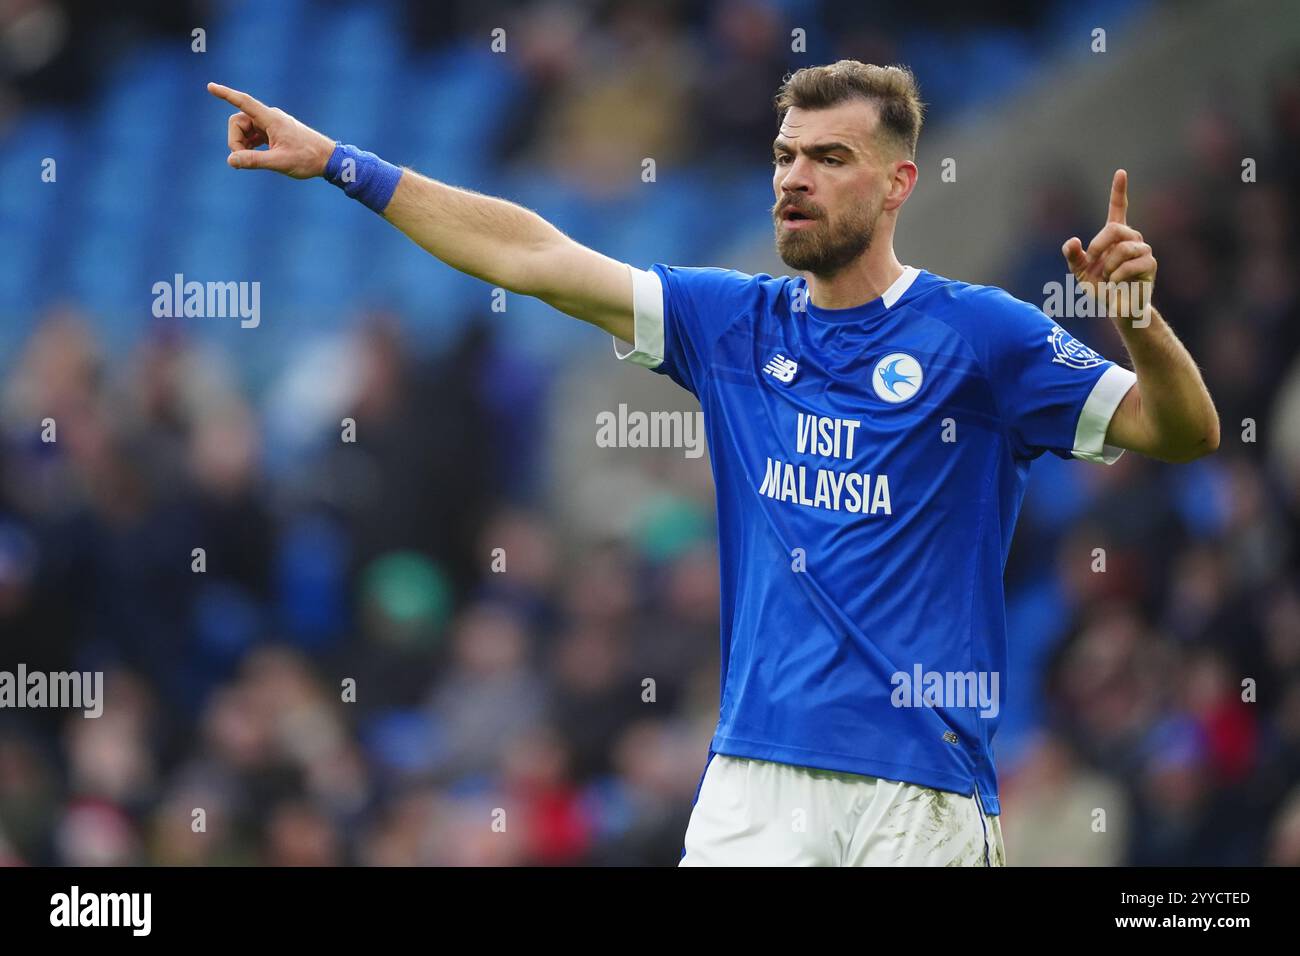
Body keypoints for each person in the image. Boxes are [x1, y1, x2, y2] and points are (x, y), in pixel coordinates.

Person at [207, 59, 1219, 866]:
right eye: (784, 155)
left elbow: (1179, 431)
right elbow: (533, 256)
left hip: (917, 787)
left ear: (898, 181)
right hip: (754, 779)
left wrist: (1141, 327)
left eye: (827, 157)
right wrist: (341, 161)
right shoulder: (731, 322)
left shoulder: (982, 336)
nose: (793, 177)